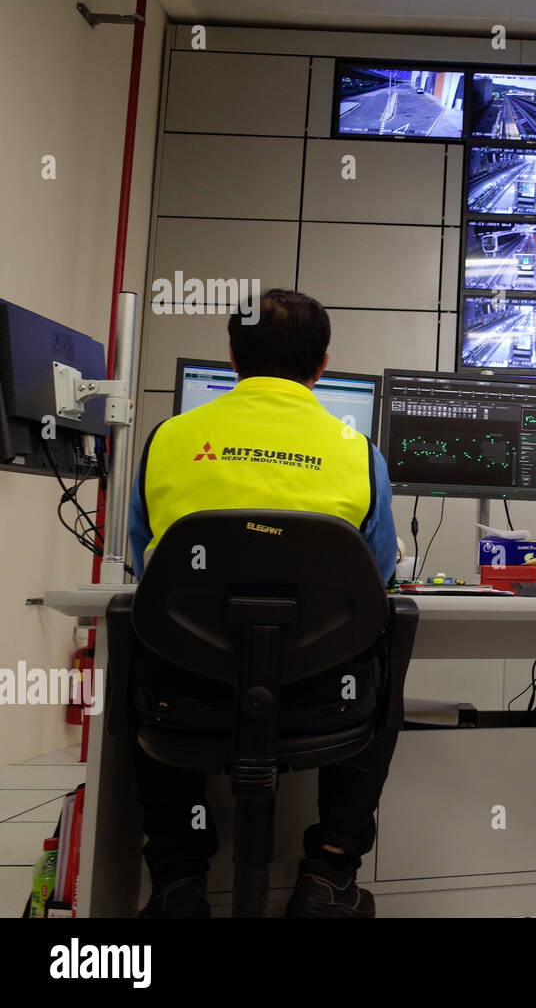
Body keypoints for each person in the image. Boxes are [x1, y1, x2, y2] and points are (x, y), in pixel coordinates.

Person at [127, 288, 399, 918]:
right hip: (324, 705)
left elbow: (149, 571)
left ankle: (177, 882)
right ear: (322, 365)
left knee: (151, 645)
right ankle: (329, 873)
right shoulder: (359, 453)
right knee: (387, 656)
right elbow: (374, 583)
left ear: (231, 356)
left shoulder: (168, 439)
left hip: (186, 701)